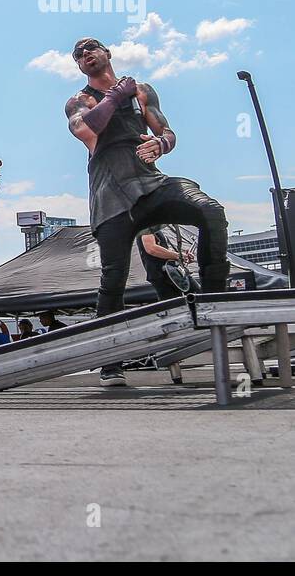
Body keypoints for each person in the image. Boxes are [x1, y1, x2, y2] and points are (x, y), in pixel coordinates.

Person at [63, 37, 228, 386]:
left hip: (150, 183)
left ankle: (215, 300)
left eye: (91, 47)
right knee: (113, 278)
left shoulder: (142, 91)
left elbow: (166, 129)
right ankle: (110, 363)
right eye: (78, 54)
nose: (85, 54)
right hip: (111, 194)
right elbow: (86, 129)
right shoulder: (80, 101)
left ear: (107, 53)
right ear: (78, 66)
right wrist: (114, 96)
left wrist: (162, 143)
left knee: (210, 210)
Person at [138, 226, 197, 300]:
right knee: (173, 305)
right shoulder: (147, 227)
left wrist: (182, 256)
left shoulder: (156, 229)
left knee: (196, 294)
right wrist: (179, 256)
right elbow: (151, 249)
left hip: (171, 271)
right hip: (162, 274)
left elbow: (163, 251)